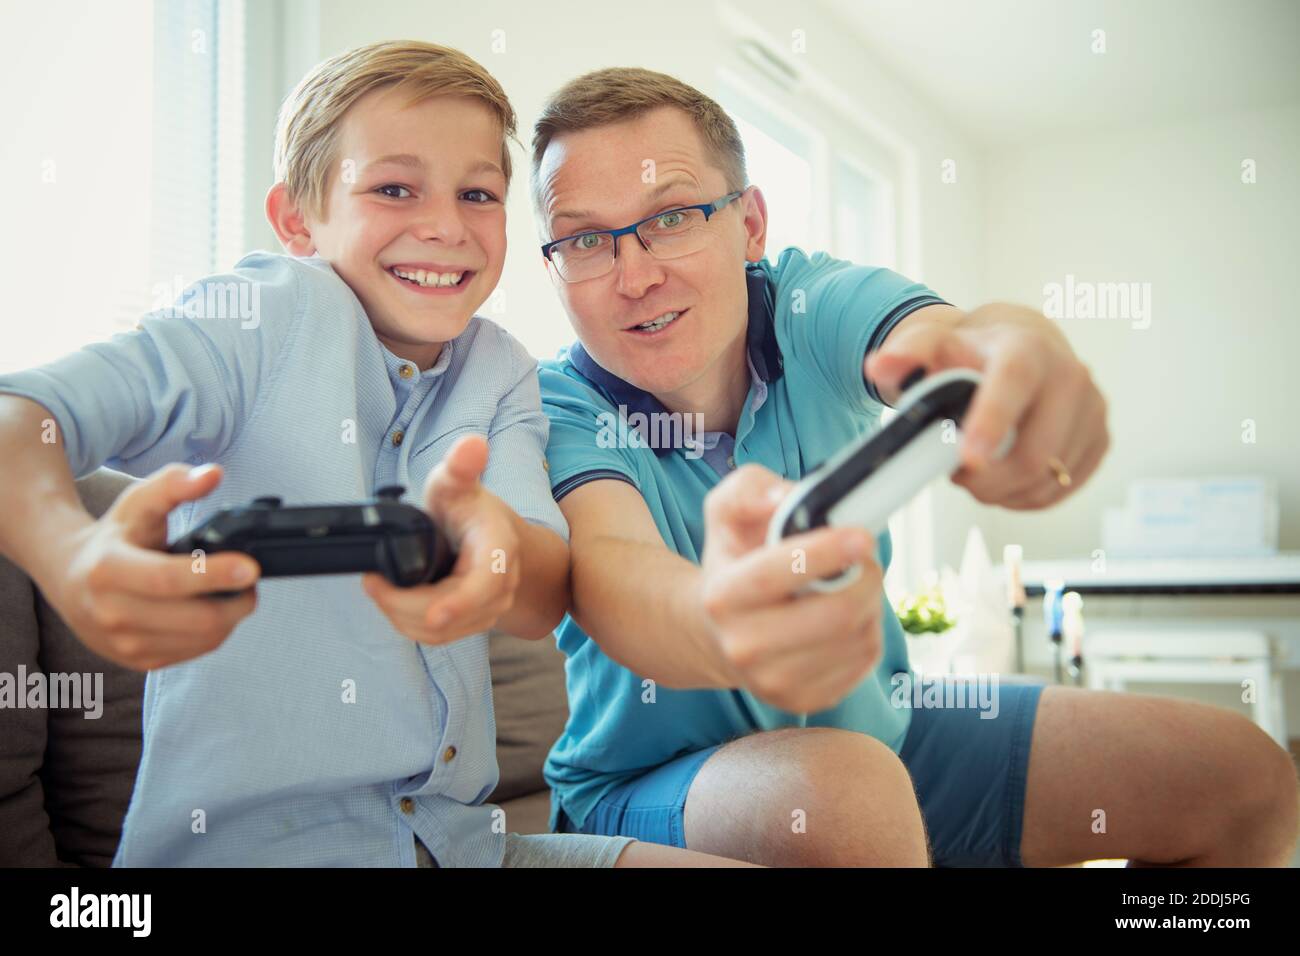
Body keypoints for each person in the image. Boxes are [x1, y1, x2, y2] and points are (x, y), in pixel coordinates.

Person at [0, 43, 749, 868]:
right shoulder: (259, 317)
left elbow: (538, 598)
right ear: (296, 219)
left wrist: (489, 552)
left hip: (463, 844)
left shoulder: (499, 370)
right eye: (393, 188)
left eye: (478, 194)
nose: (444, 225)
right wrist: (68, 557)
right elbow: (21, 416)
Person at [530, 67, 1299, 866]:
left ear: (749, 223)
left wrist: (1017, 353)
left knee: (1246, 777)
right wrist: (718, 618)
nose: (635, 274)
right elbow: (613, 564)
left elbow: (947, 339)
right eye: (585, 239)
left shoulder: (807, 301)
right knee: (847, 791)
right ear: (553, 266)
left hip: (888, 726)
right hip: (655, 782)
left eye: (674, 216)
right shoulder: (556, 406)